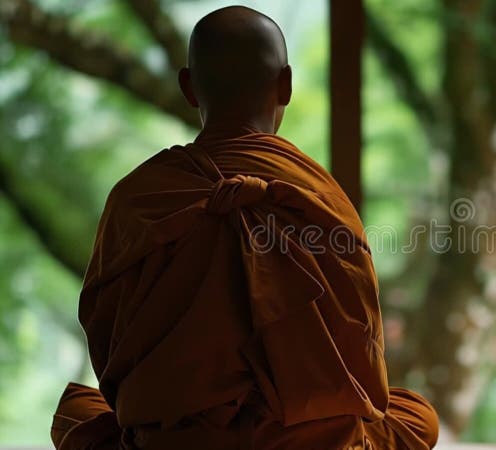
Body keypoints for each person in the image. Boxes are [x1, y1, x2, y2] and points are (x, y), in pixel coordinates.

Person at [51, 6, 438, 449]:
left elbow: (109, 357)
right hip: (311, 443)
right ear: (286, 85)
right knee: (416, 416)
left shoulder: (138, 198)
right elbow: (365, 373)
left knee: (79, 414)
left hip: (182, 443)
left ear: (188, 88)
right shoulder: (319, 195)